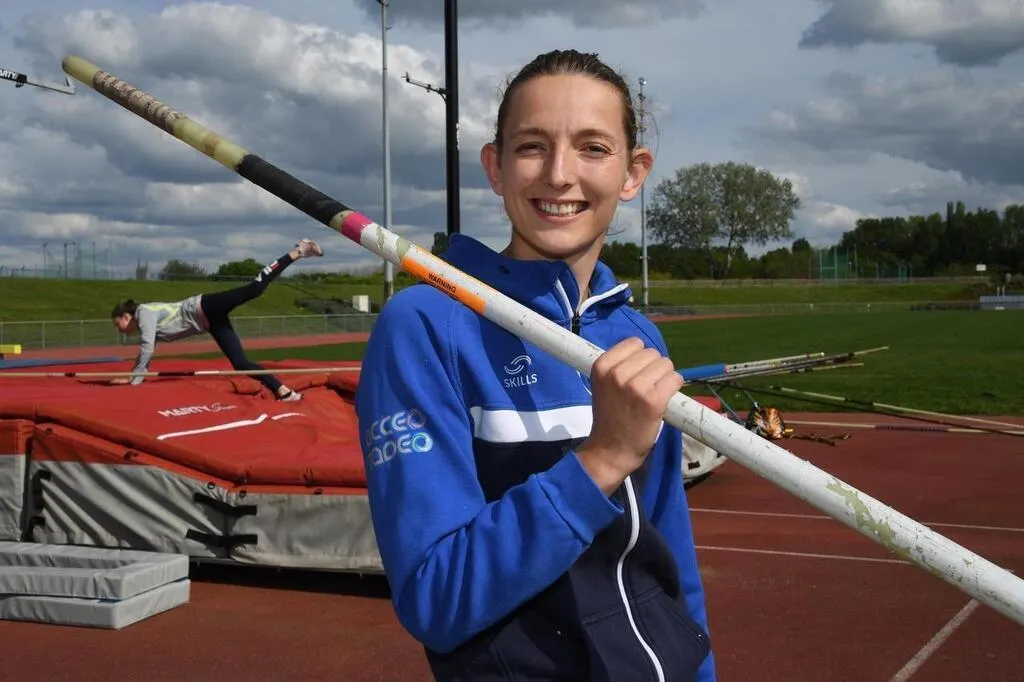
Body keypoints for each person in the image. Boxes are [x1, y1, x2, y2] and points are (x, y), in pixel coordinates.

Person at [355, 49, 715, 682]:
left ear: (634, 174)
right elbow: (437, 599)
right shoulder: (426, 326)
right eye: (531, 146)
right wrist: (601, 459)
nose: (559, 173)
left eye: (593, 148)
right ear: (496, 168)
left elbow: (670, 563)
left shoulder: (638, 338)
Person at [109, 238, 324, 401]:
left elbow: (147, 348)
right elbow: (146, 354)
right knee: (240, 364)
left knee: (255, 289)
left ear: (126, 315)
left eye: (118, 324)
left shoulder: (143, 313)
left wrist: (133, 380)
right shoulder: (147, 323)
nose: (120, 330)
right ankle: (283, 392)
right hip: (209, 321)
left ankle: (299, 251)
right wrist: (134, 376)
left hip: (205, 306)